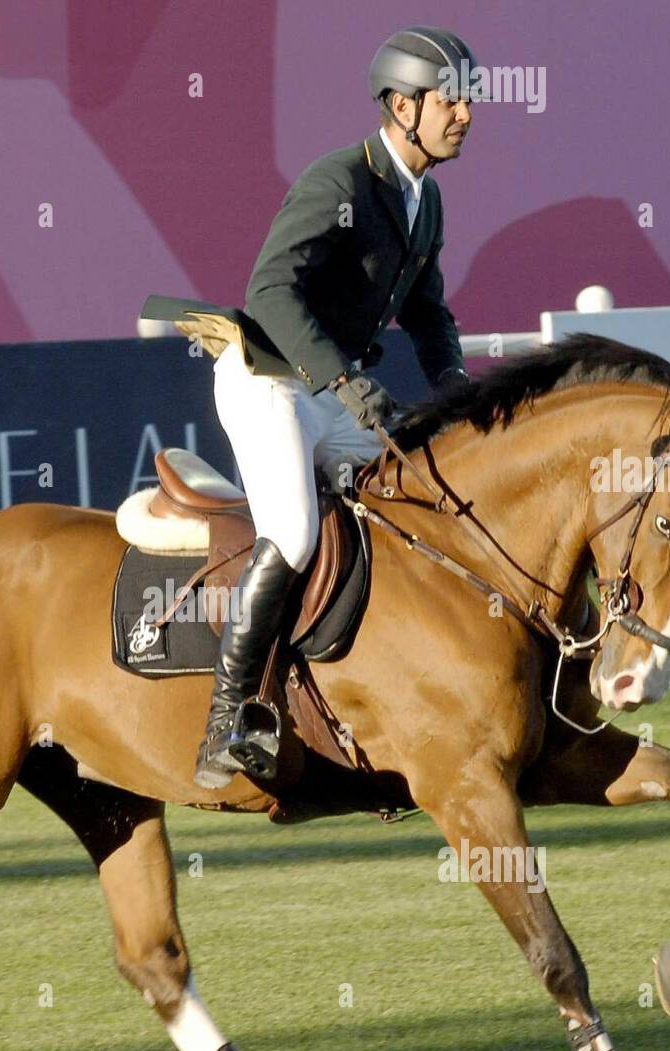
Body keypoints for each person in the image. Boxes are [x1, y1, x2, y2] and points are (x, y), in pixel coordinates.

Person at [194, 26, 478, 789]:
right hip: (267, 378)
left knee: (415, 493)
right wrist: (343, 381)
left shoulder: (426, 199)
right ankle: (226, 722)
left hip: (329, 386)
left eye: (467, 99)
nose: (465, 114)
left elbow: (427, 312)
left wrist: (456, 388)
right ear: (402, 105)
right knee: (289, 530)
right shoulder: (339, 181)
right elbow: (269, 292)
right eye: (450, 100)